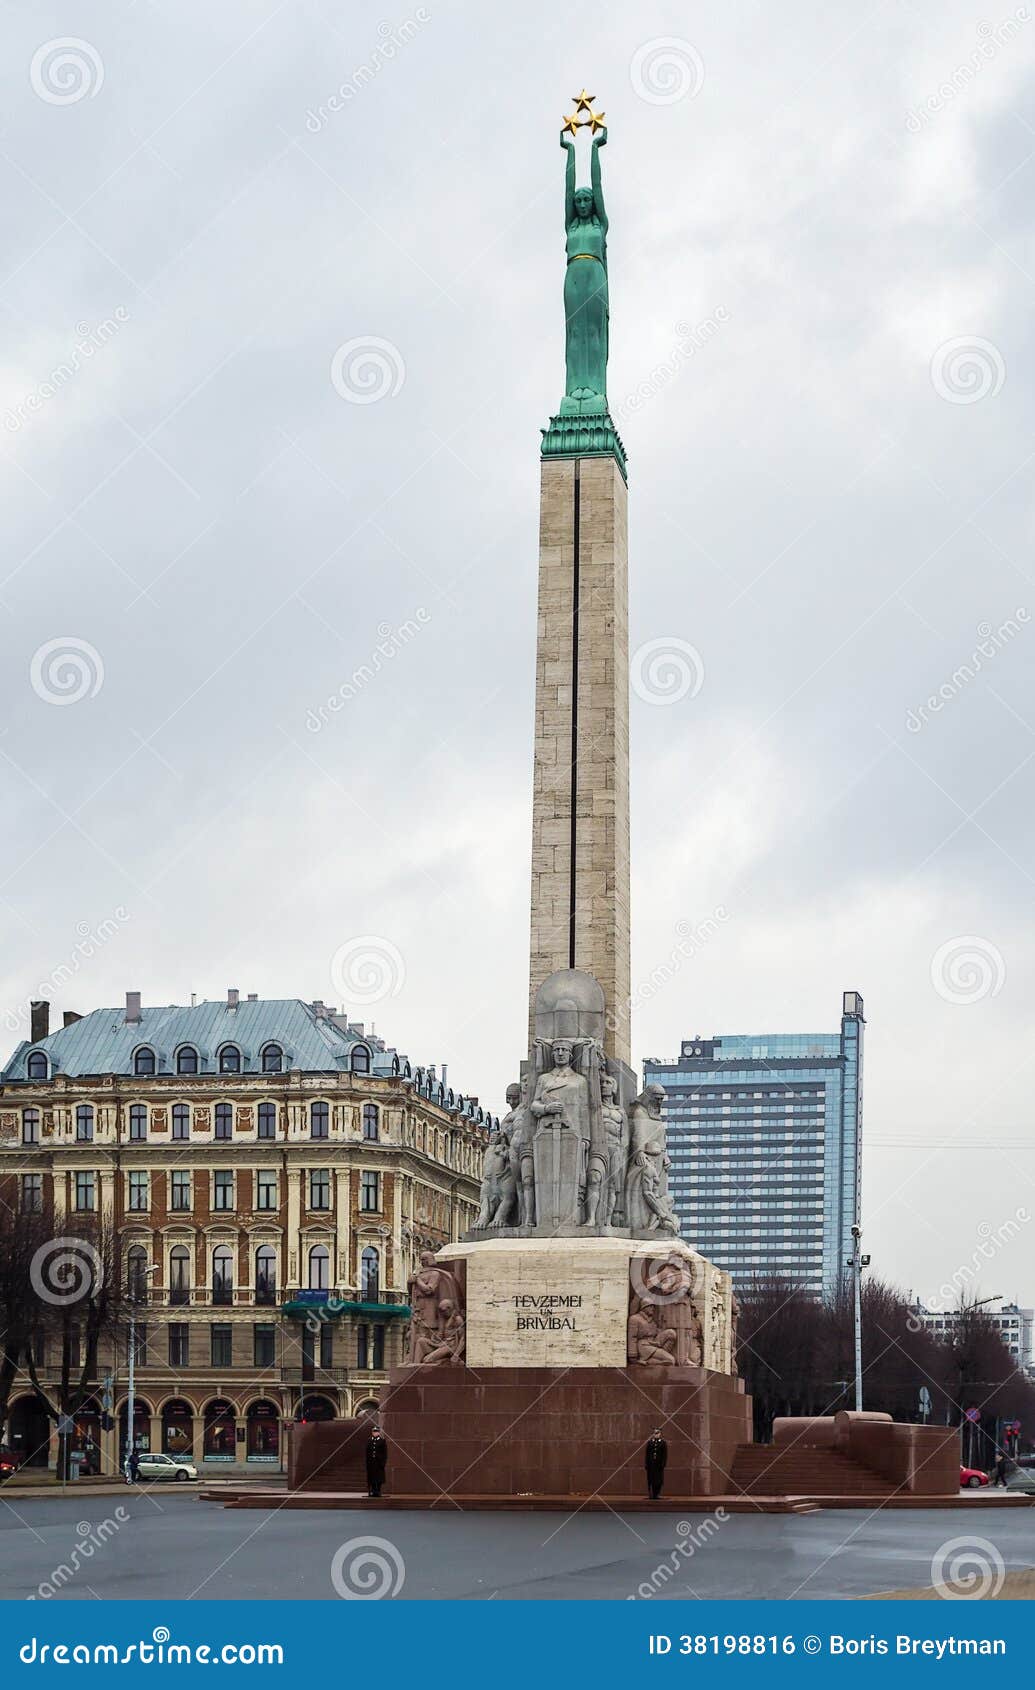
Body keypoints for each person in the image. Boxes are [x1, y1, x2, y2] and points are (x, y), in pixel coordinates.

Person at [365, 1424, 388, 1498]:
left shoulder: (382, 1441)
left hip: (379, 1463)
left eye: (376, 1432)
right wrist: (367, 1463)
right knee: (372, 1478)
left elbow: (384, 1453)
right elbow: (367, 1452)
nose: (375, 1433)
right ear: (372, 1432)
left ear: (379, 1433)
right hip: (371, 1463)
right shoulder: (369, 1440)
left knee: (378, 1478)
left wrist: (383, 1463)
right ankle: (373, 1491)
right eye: (374, 1432)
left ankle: (378, 1491)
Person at [645, 1429, 668, 1500]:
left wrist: (663, 1464)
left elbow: (664, 1455)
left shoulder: (663, 1443)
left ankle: (657, 1494)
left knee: (658, 1480)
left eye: (657, 1433)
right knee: (651, 1479)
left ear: (660, 1434)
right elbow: (647, 1454)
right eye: (655, 1433)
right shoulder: (650, 1443)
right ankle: (651, 1494)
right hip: (651, 1465)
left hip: (659, 1465)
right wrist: (646, 1464)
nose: (656, 1434)